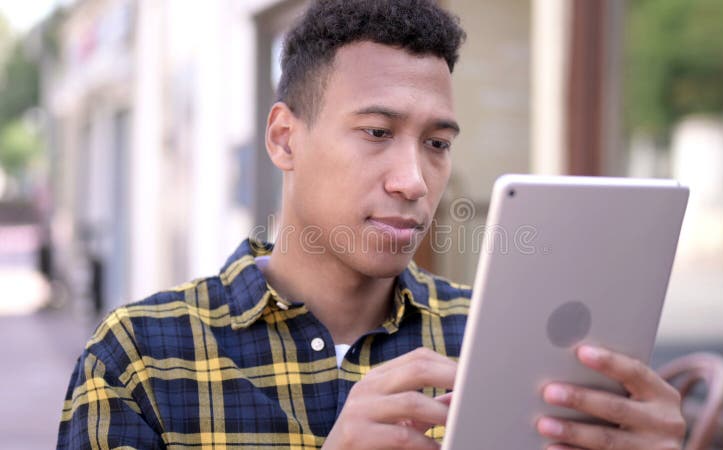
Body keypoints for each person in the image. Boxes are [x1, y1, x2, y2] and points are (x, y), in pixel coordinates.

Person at [58, 0, 686, 448]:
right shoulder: (141, 360)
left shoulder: (495, 342)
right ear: (284, 139)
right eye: (377, 133)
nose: (413, 180)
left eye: (437, 144)